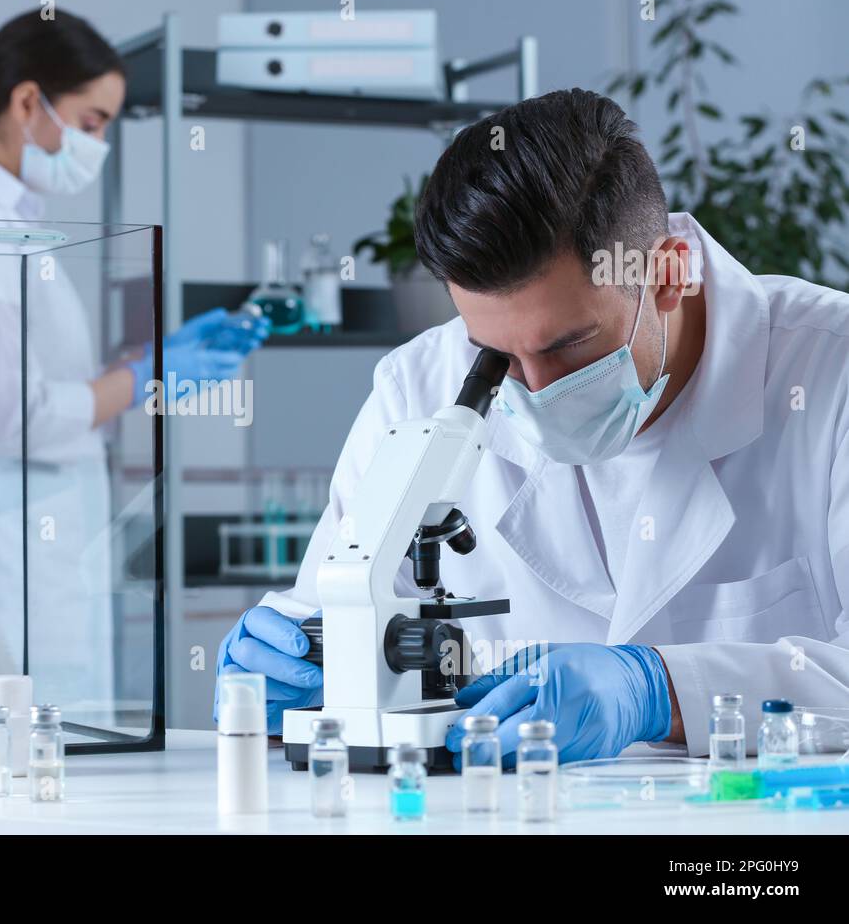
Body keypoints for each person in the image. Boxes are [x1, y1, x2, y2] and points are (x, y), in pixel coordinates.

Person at [216, 87, 849, 764]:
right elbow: (333, 612)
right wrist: (282, 672)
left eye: (568, 345)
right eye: (496, 356)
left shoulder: (829, 370)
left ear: (667, 276)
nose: (537, 392)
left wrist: (657, 688)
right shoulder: (418, 388)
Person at [0, 9, 265, 711]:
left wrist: (147, 365)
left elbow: (27, 389)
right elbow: (17, 419)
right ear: (27, 103)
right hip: (7, 540)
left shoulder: (1, 222)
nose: (100, 144)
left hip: (27, 531)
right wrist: (145, 378)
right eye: (91, 122)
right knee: (24, 758)